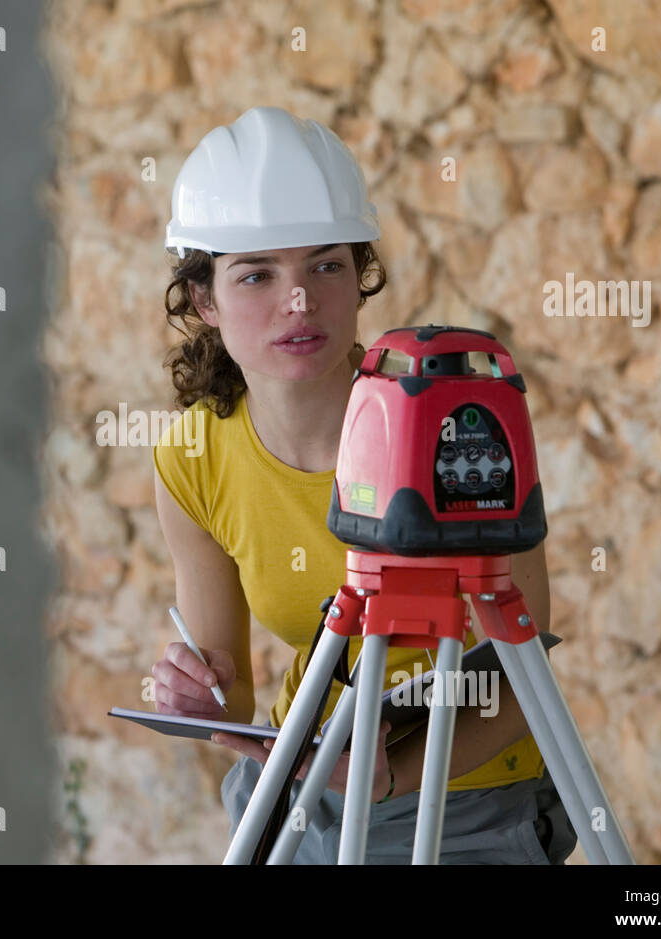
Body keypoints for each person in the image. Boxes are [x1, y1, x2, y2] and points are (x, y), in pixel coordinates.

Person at [149, 106, 577, 864]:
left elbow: (523, 678)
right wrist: (198, 696)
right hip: (292, 798)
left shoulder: (451, 420)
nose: (300, 301)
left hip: (466, 811)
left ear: (359, 275)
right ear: (205, 301)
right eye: (257, 275)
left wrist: (387, 779)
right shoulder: (191, 458)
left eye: (326, 264)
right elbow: (234, 696)